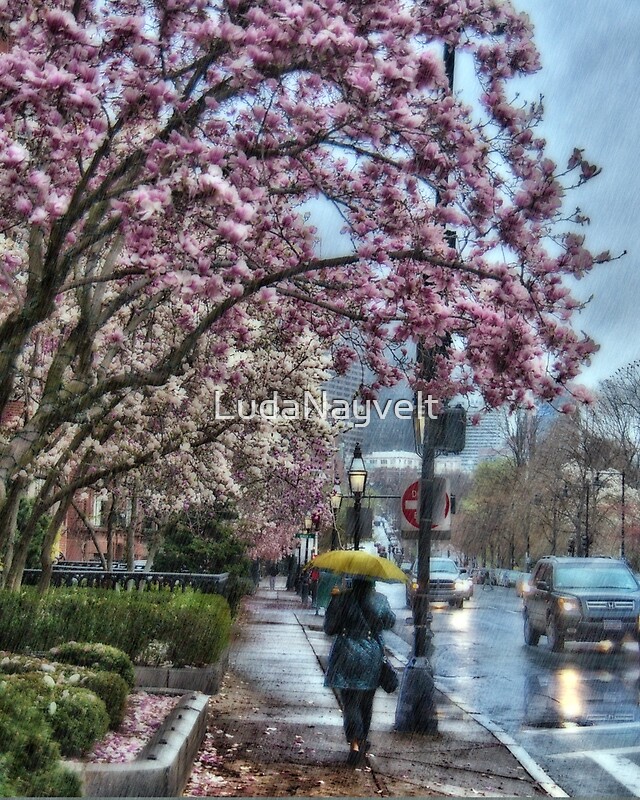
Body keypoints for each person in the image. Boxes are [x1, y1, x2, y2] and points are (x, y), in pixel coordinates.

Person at [323, 577, 396, 765]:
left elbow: (329, 629)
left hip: (346, 654)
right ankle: (362, 738)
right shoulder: (380, 600)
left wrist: (338, 608)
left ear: (352, 581)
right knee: (366, 701)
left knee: (350, 702)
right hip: (371, 656)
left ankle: (355, 742)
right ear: (372, 583)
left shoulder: (341, 599)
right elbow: (389, 622)